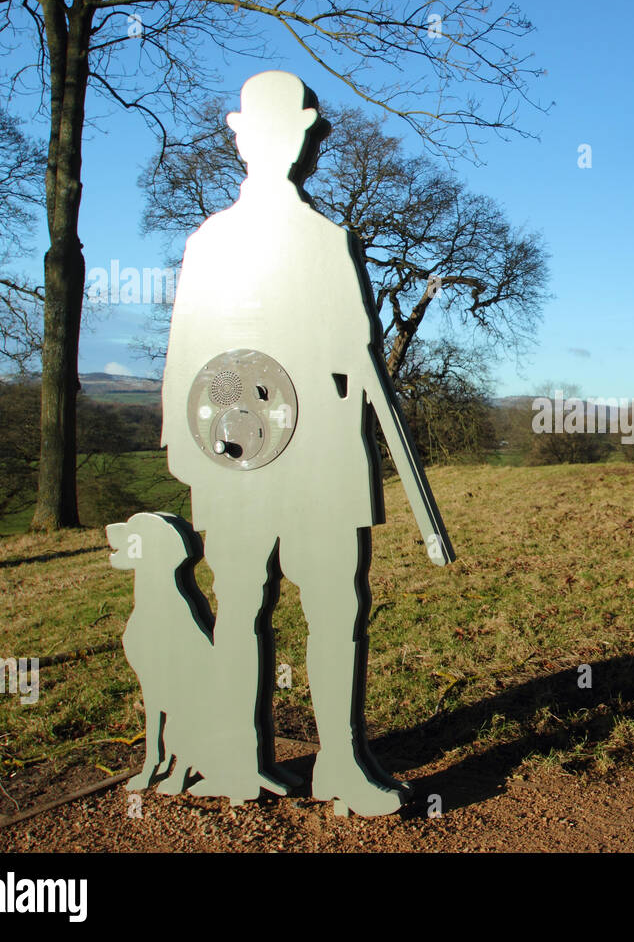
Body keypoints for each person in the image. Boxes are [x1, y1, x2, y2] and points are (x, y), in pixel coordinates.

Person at [160, 71, 454, 815]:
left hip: (317, 447)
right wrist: (189, 449)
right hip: (244, 456)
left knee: (331, 605)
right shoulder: (216, 243)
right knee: (248, 605)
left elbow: (355, 357)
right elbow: (186, 352)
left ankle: (341, 762)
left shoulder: (327, 241)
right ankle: (239, 755)